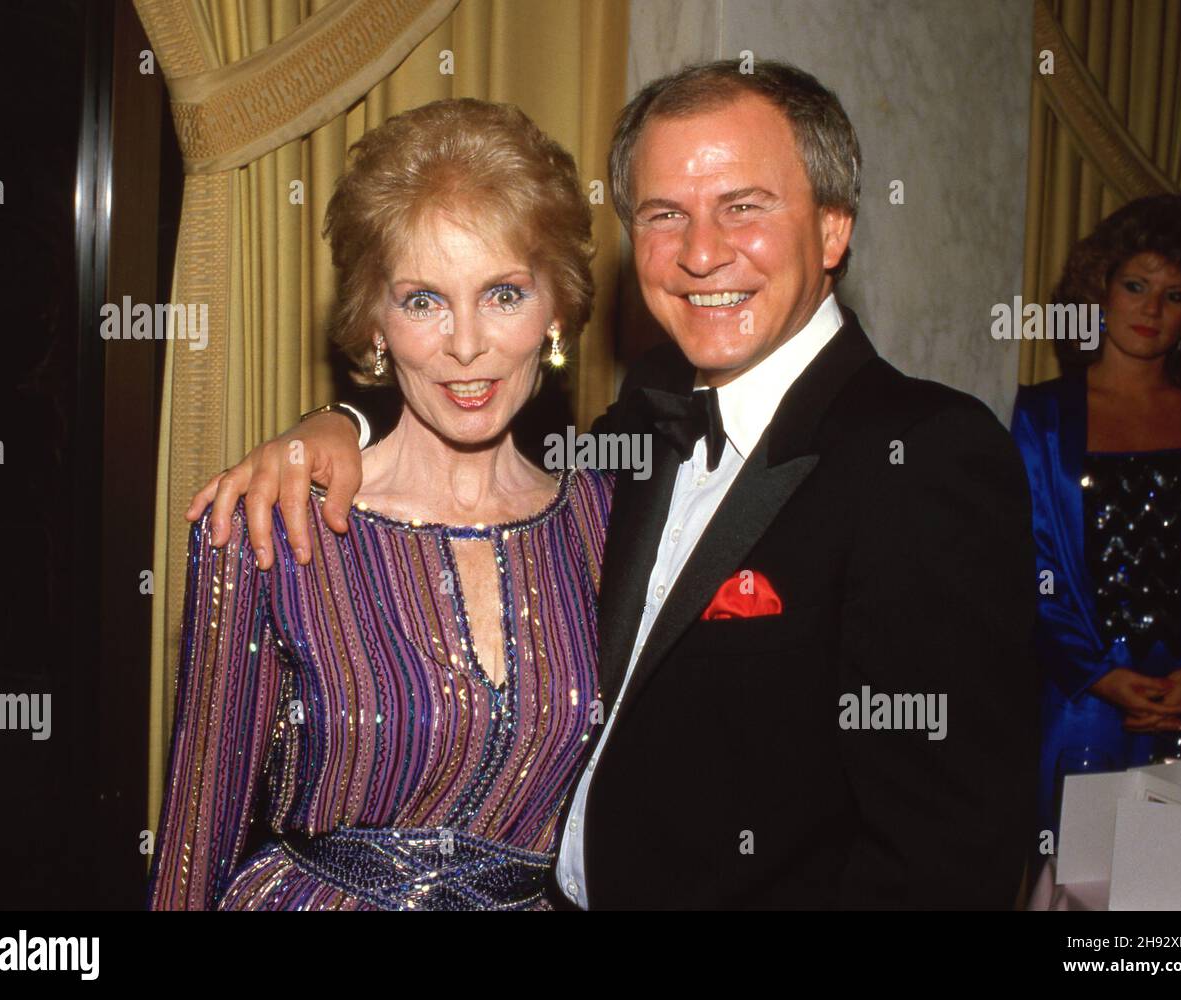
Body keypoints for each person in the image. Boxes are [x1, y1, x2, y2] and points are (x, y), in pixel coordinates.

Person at [192, 60, 1039, 908]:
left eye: (744, 207)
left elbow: (949, 857)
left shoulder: (925, 456)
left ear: (832, 228)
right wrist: (338, 424)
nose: (703, 253)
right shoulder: (630, 443)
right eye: (667, 215)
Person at [148, 98, 613, 910]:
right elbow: (196, 834)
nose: (465, 344)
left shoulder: (610, 524)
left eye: (504, 293)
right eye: (423, 300)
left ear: (558, 310)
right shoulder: (272, 519)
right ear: (373, 326)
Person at [1012, 195, 1181, 837]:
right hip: (1082, 703)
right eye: (1137, 285)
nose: (1151, 308)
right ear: (1100, 289)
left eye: (1176, 295)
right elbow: (1031, 566)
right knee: (1080, 893)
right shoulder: (1042, 416)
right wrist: (1099, 675)